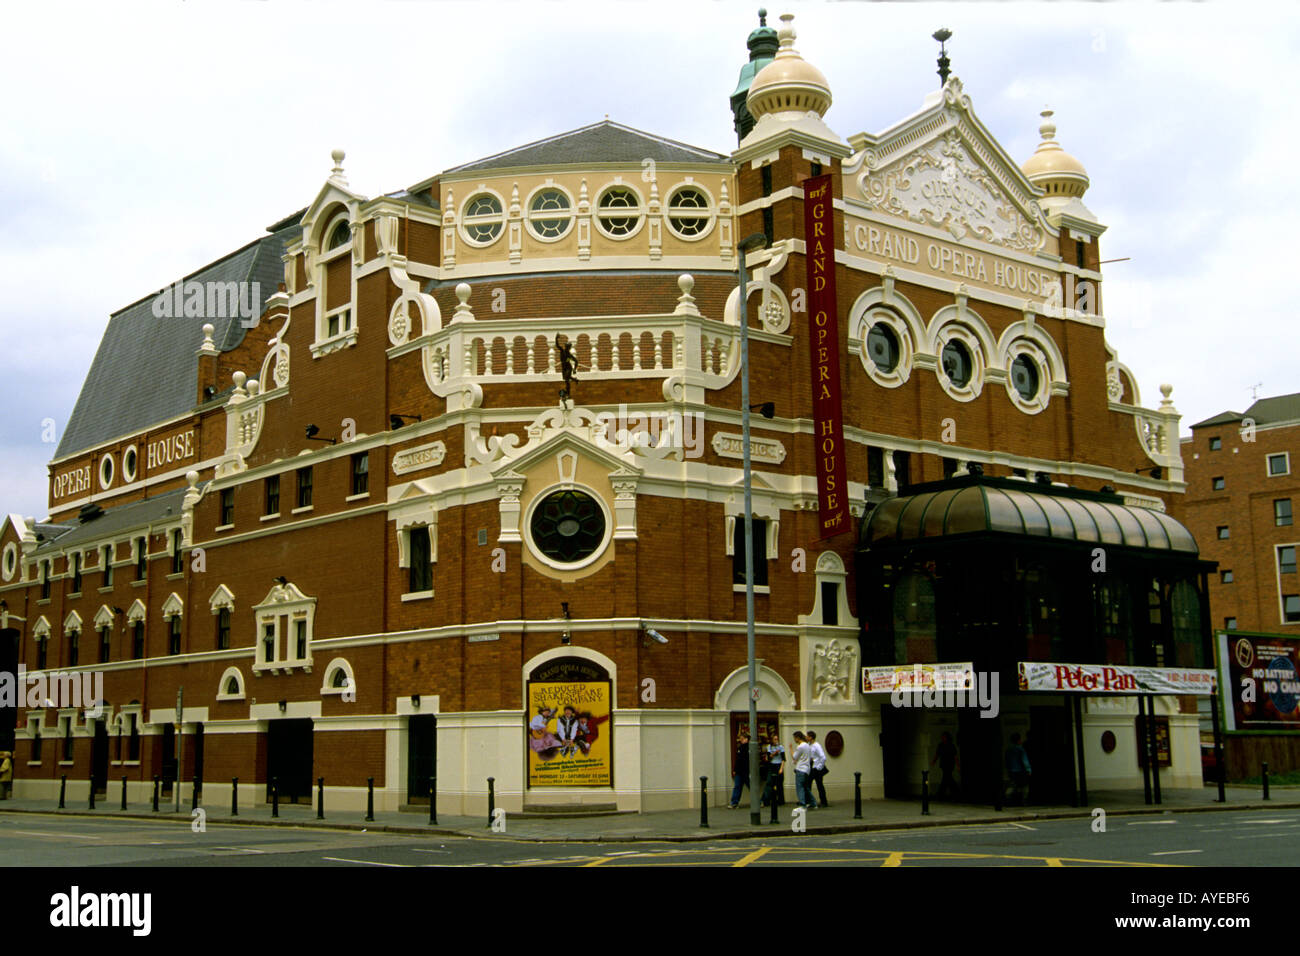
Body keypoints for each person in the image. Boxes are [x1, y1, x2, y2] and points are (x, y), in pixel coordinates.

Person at [1005, 732, 1032, 806]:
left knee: (1012, 785)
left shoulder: (1008, 749)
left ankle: (1007, 798)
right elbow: (1025, 760)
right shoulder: (1020, 749)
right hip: (1020, 771)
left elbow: (1006, 761)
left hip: (1012, 771)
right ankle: (1024, 800)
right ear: (1018, 740)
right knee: (1025, 786)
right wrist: (1028, 769)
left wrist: (1008, 769)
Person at [792, 731, 817, 809]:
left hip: (800, 769)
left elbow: (794, 757)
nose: (794, 740)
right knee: (806, 787)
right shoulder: (807, 746)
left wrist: (790, 749)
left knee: (800, 787)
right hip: (807, 769)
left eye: (794, 738)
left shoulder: (800, 747)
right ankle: (813, 803)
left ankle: (802, 804)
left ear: (797, 738)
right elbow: (810, 758)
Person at [931, 731, 959, 800]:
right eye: (942, 737)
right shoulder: (941, 745)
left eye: (944, 737)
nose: (942, 738)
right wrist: (933, 761)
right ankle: (955, 791)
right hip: (944, 764)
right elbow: (937, 755)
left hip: (950, 764)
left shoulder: (951, 745)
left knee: (946, 777)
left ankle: (941, 793)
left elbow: (955, 756)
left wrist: (958, 765)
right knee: (948, 778)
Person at [762, 731, 786, 808]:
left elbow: (783, 759)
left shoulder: (781, 747)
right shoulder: (769, 747)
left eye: (777, 739)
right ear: (772, 740)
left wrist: (781, 769)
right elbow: (768, 757)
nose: (776, 741)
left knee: (779, 783)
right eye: (775, 739)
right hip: (772, 765)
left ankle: (781, 800)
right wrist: (774, 754)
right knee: (769, 782)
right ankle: (766, 800)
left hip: (779, 765)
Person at [807, 730, 829, 808]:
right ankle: (809, 801)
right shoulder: (809, 745)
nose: (806, 737)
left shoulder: (817, 745)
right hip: (812, 767)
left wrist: (819, 767)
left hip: (816, 768)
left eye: (807, 736)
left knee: (819, 785)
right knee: (808, 783)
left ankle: (823, 801)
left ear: (811, 737)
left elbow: (823, 757)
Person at [729, 729, 750, 809]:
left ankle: (734, 802)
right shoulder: (741, 747)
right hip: (741, 771)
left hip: (745, 771)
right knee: (738, 786)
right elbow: (738, 760)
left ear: (746, 739)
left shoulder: (747, 748)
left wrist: (735, 769)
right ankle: (734, 802)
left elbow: (740, 760)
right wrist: (735, 770)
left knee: (749, 786)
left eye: (742, 739)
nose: (741, 740)